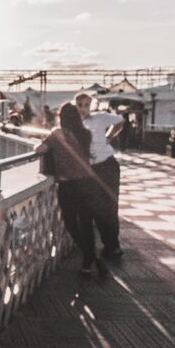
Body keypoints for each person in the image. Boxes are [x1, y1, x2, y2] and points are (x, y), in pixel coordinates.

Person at [36, 102, 105, 278]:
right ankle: (88, 263)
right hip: (88, 182)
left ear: (61, 118)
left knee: (70, 223)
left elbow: (39, 149)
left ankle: (89, 256)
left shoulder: (57, 134)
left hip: (68, 185)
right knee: (86, 223)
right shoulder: (86, 134)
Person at [74, 92, 124, 259]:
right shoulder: (73, 124)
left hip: (108, 165)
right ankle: (107, 244)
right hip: (90, 169)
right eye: (80, 105)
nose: (83, 108)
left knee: (110, 205)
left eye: (86, 104)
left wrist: (109, 136)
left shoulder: (100, 118)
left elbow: (120, 121)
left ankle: (113, 246)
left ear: (91, 105)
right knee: (97, 207)